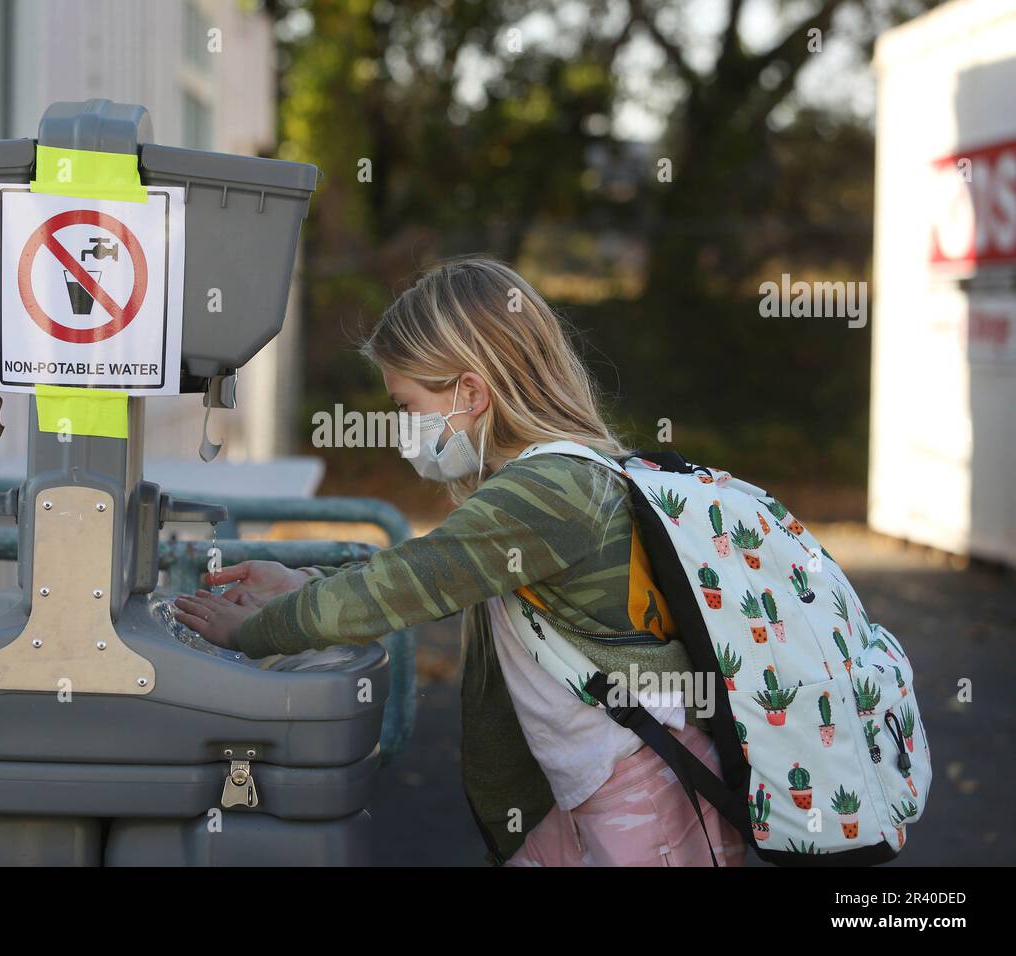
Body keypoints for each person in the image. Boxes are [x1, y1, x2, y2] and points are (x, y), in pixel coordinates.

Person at [174, 258, 745, 867]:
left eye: (407, 405)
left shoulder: (550, 491)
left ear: (471, 393)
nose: (400, 431)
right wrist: (302, 583)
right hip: (586, 787)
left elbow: (401, 587)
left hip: (641, 793)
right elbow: (431, 571)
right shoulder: (542, 480)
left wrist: (256, 629)